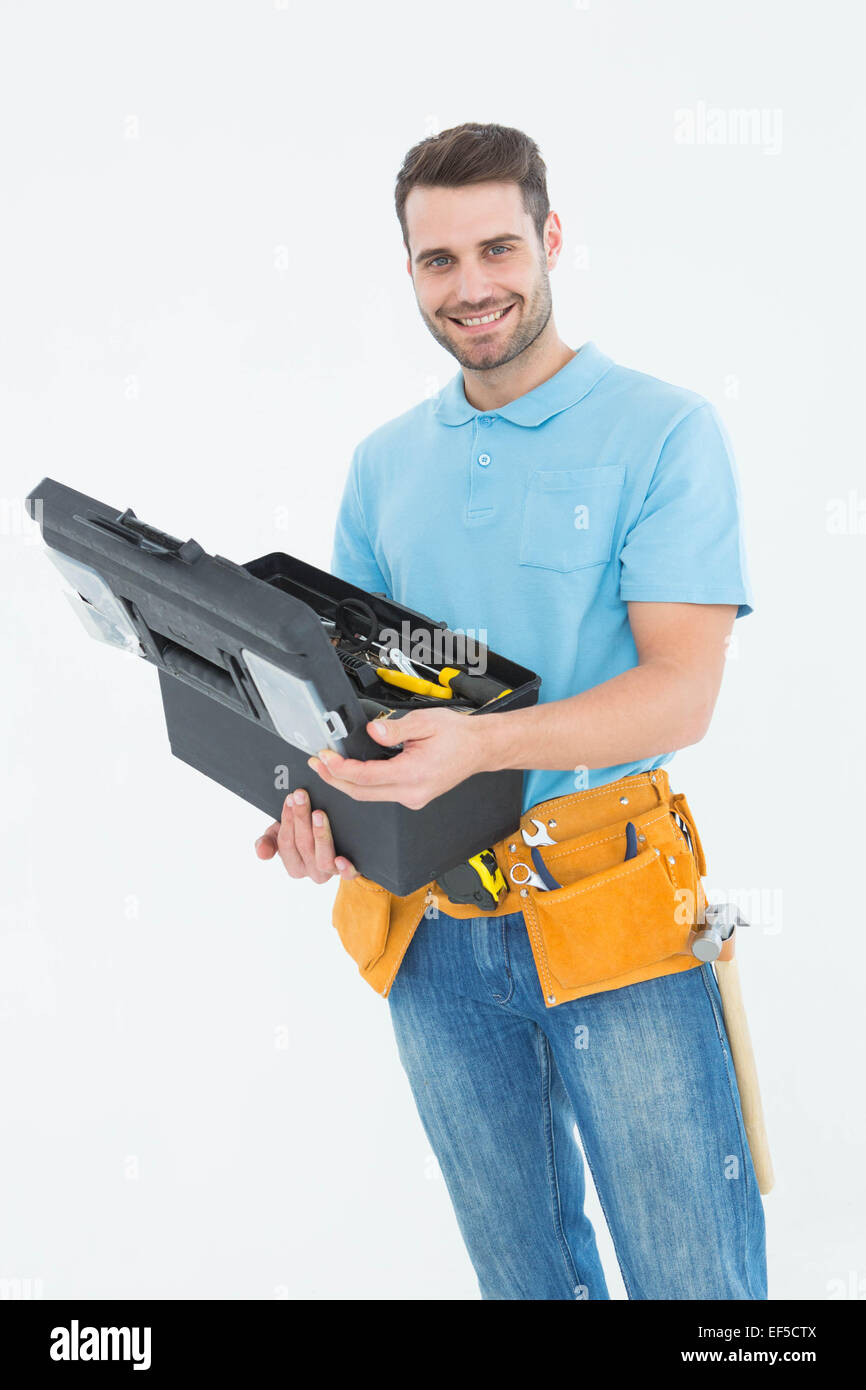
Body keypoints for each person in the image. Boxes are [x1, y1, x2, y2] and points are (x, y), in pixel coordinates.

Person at [255, 122, 767, 1301]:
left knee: (701, 1294)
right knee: (524, 1285)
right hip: (432, 924)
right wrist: (311, 808)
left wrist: (485, 744)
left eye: (496, 247)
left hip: (614, 909)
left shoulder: (662, 431)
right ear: (409, 274)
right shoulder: (384, 465)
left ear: (547, 238)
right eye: (439, 261)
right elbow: (360, 708)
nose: (472, 286)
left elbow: (680, 694)